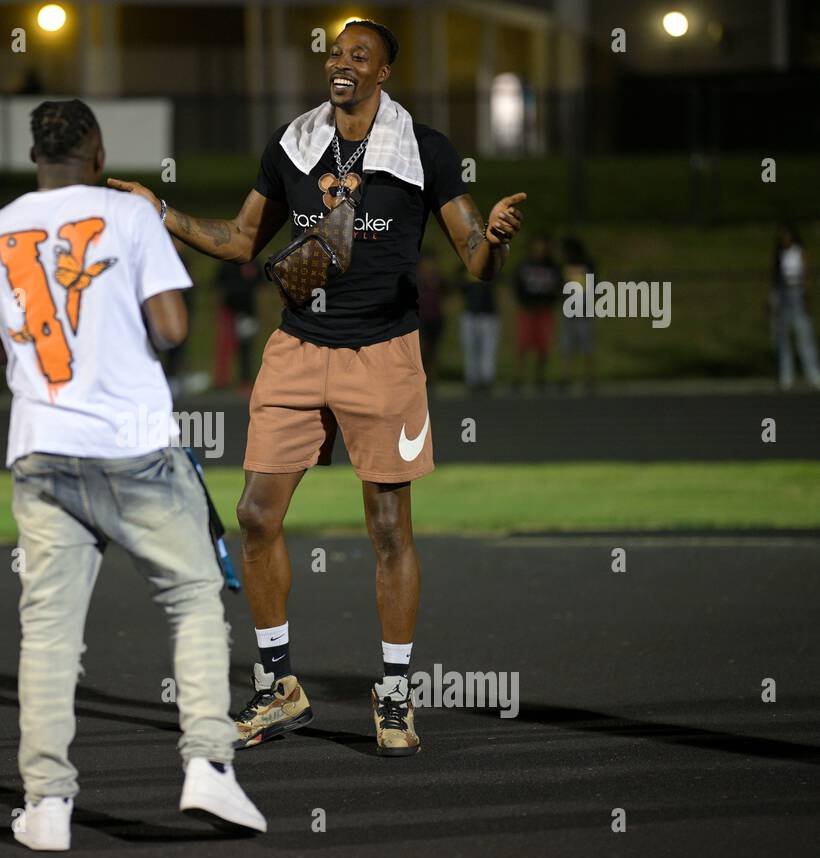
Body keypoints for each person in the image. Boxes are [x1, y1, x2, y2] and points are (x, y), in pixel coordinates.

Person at [110, 19, 526, 755]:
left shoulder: (423, 149)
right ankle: (280, 687)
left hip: (383, 355)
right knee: (256, 513)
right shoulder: (293, 142)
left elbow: (471, 257)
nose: (341, 63)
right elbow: (243, 241)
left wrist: (490, 239)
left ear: (384, 73)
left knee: (390, 529)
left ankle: (394, 696)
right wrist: (162, 213)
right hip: (298, 348)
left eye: (358, 56)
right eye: (335, 52)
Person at [0, 99, 266, 851]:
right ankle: (209, 763)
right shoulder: (129, 213)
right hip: (133, 444)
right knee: (191, 598)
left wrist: (21, 354)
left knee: (50, 633)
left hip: (43, 450)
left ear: (33, 158)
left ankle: (47, 804)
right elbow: (174, 328)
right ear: (98, 151)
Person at [771, 223, 820, 390]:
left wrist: (807, 295)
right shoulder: (779, 254)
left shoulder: (799, 252)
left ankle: (813, 373)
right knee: (783, 336)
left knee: (804, 334)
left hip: (797, 293)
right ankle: (786, 375)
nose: (784, 239)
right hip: (784, 294)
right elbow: (776, 279)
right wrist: (774, 299)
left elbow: (805, 274)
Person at [512, 233, 561, 392]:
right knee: (523, 344)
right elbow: (517, 285)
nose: (540, 249)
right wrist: (523, 302)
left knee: (543, 346)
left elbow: (558, 287)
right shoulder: (525, 265)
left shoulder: (552, 266)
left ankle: (540, 377)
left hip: (544, 310)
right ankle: (519, 377)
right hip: (527, 310)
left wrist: (550, 302)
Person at [213, 259, 262, 392]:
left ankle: (245, 380)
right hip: (229, 310)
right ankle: (221, 379)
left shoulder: (253, 260)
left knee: (246, 347)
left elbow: (261, 281)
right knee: (225, 345)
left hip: (247, 311)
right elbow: (218, 282)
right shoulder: (228, 261)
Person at [558, 236, 596, 393]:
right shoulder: (565, 267)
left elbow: (593, 285)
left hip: (584, 311)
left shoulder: (587, 265)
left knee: (586, 345)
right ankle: (567, 375)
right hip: (569, 311)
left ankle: (589, 376)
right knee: (568, 346)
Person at [458, 267, 500, 393]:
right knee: (470, 349)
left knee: (488, 349)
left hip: (489, 314)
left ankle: (487, 378)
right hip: (470, 313)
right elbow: (460, 287)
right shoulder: (465, 262)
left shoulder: (492, 258)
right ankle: (472, 379)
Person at [416, 251, 446, 380]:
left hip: (436, 317)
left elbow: (445, 296)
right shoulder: (417, 278)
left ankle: (433, 376)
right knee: (423, 348)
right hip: (421, 318)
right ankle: (422, 374)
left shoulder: (439, 279)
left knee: (434, 348)